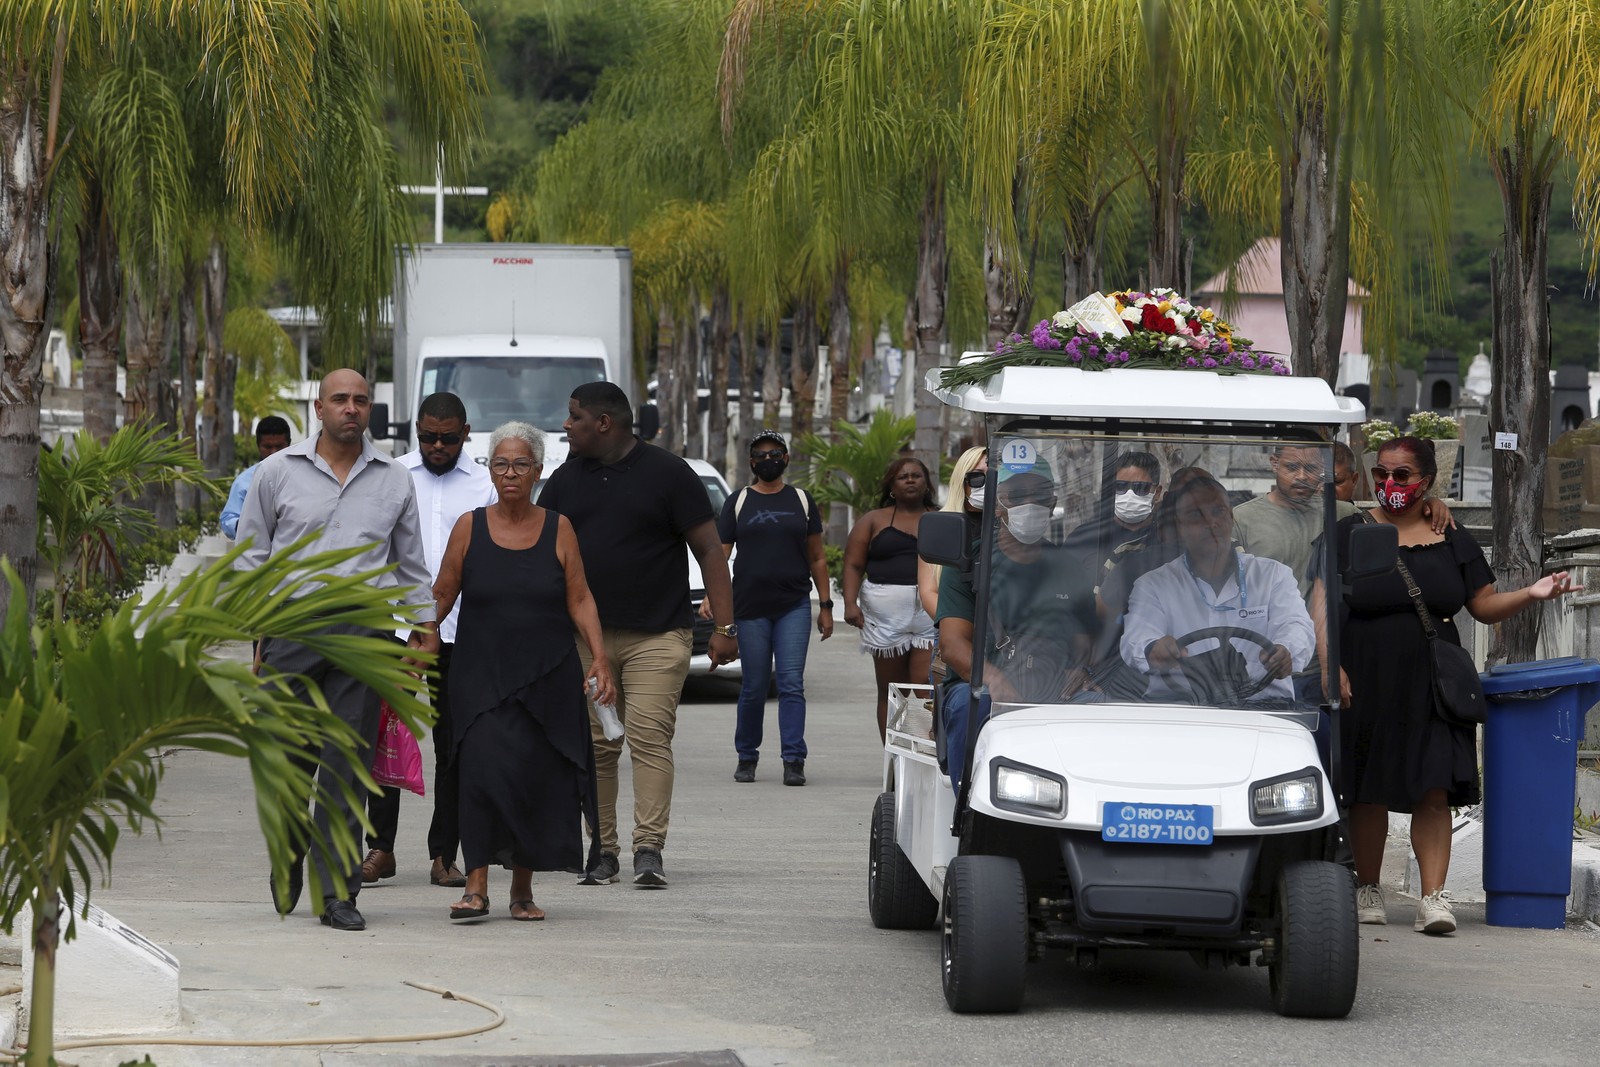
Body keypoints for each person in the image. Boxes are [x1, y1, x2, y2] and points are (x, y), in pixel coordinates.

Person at [1310, 436, 1578, 936]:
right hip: (1365, 676)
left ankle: (1433, 898)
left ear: (1428, 481)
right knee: (1367, 788)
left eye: (1402, 475)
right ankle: (1368, 887)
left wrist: (1532, 593)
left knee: (1434, 787)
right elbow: (1320, 601)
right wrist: (1331, 665)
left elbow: (1483, 605)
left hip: (1433, 680)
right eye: (1382, 473)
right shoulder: (1348, 531)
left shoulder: (1449, 533)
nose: (1390, 483)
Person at [235, 369, 438, 932]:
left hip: (363, 634)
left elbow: (410, 563)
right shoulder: (276, 472)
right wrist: (260, 635)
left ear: (370, 409)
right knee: (289, 764)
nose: (352, 408)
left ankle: (337, 895)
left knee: (347, 770)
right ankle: (288, 851)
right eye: (340, 399)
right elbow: (251, 557)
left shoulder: (394, 479)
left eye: (361, 400)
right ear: (318, 407)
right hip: (292, 631)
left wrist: (424, 626)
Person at [537, 381, 737, 889]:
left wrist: (725, 626)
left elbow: (709, 550)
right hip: (588, 642)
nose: (566, 425)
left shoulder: (670, 473)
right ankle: (603, 851)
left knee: (649, 739)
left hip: (658, 635)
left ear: (603, 423)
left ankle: (649, 849)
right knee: (598, 746)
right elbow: (543, 556)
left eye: (574, 416)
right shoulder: (564, 481)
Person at [431, 422, 616, 922]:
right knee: (480, 774)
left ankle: (522, 890)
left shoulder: (560, 528)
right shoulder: (469, 526)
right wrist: (417, 641)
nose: (510, 473)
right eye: (501, 464)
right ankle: (475, 887)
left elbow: (580, 597)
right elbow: (442, 592)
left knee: (534, 778)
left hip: (545, 676)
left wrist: (600, 658)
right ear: (490, 471)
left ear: (538, 471)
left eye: (520, 464)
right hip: (479, 675)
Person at [360, 392, 496, 891]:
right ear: (416, 429)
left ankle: (444, 854)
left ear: (466, 432)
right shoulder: (391, 475)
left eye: (449, 438)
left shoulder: (485, 485)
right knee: (383, 738)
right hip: (397, 629)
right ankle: (380, 848)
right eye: (428, 437)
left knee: (453, 746)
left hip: (461, 633)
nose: (438, 446)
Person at [934, 458, 1094, 793]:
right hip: (984, 686)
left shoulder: (1068, 567)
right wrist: (995, 680)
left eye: (1040, 495)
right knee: (969, 704)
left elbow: (1084, 638)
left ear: (1053, 502)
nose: (1030, 504)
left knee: (1101, 708)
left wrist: (1080, 669)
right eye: (1018, 495)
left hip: (1053, 687)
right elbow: (952, 644)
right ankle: (968, 805)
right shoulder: (969, 564)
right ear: (996, 503)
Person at [704, 430, 832, 786]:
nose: (768, 460)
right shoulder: (738, 502)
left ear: (786, 458)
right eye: (760, 455)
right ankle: (747, 756)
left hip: (793, 606)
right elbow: (720, 556)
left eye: (775, 454)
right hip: (749, 608)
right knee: (754, 686)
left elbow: (817, 557)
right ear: (751, 462)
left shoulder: (801, 501)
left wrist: (825, 605)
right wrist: (713, 597)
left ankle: (794, 760)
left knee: (791, 685)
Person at [1122, 474, 1314, 704]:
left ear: (1231, 517)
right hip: (1181, 709)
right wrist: (1154, 649)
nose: (1210, 523)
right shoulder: (1153, 585)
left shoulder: (1273, 576)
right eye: (1196, 515)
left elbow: (1296, 625)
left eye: (1218, 511)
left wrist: (1286, 650)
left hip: (1263, 706)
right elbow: (1138, 636)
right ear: (1180, 526)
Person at [842, 457, 939, 741]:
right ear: (891, 487)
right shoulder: (873, 520)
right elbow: (853, 565)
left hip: (930, 614)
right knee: (892, 688)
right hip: (884, 618)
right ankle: (894, 755)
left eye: (916, 475)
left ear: (926, 483)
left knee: (924, 686)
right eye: (902, 476)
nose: (910, 480)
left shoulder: (943, 517)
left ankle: (922, 751)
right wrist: (849, 603)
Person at [1061, 450, 1164, 601]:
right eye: (1120, 486)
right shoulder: (1083, 538)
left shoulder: (1165, 538)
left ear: (1157, 492)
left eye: (1141, 488)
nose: (1129, 495)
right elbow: (1062, 594)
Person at [916, 446, 987, 620]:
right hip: (953, 625)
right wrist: (957, 626)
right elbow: (928, 592)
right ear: (961, 479)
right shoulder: (941, 526)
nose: (987, 483)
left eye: (995, 476)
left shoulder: (1011, 525)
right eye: (977, 476)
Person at [221, 416, 292, 539]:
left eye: (279, 447)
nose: (273, 453)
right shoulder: (244, 482)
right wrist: (247, 527)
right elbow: (228, 519)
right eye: (267, 447)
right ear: (258, 445)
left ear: (289, 443)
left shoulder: (303, 476)